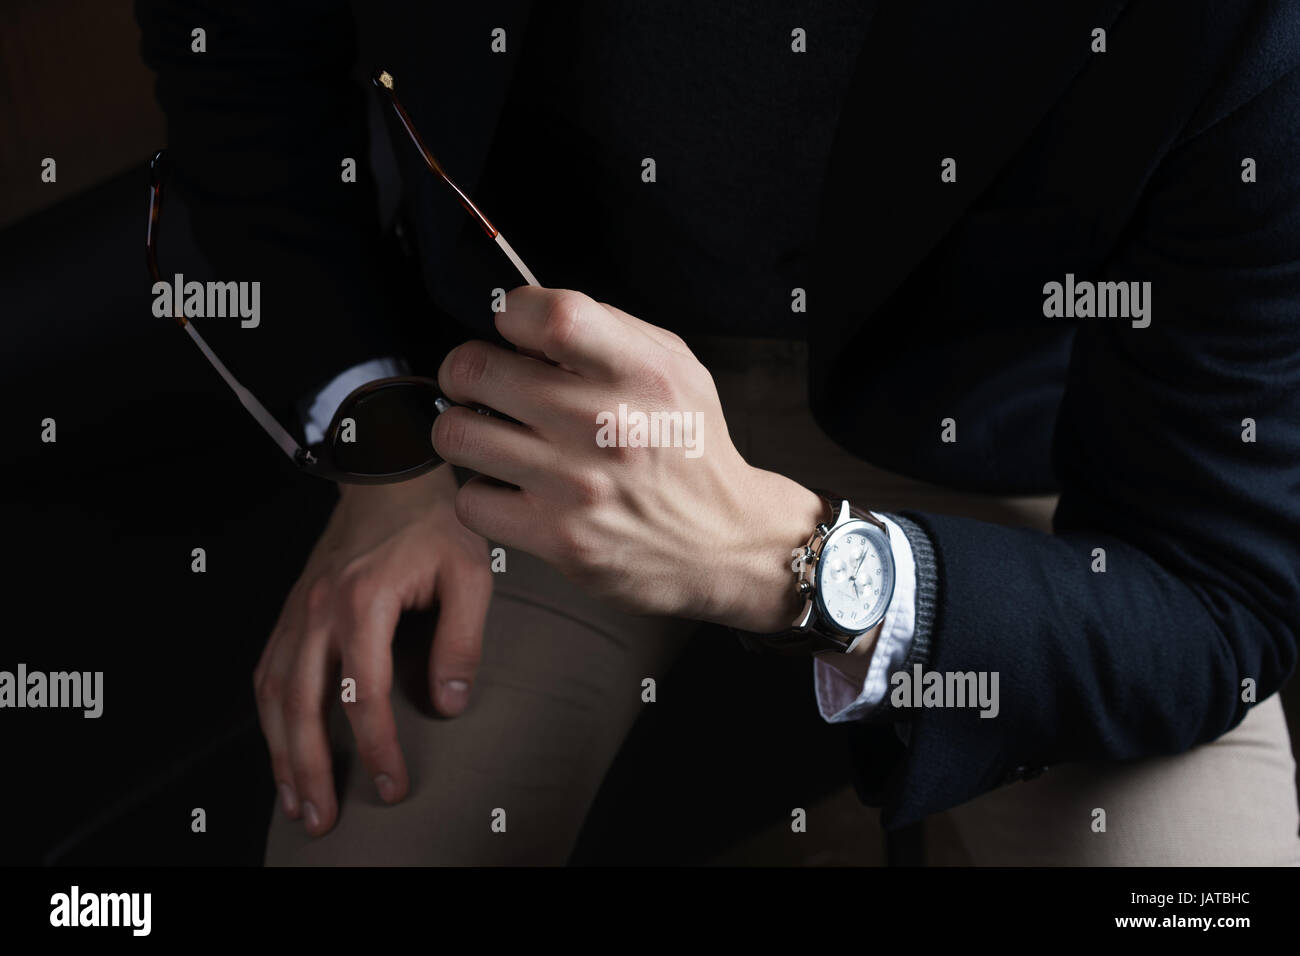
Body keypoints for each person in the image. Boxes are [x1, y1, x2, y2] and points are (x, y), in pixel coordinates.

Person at [136, 0, 1300, 865]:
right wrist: (381, 448)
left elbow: (1217, 592)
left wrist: (791, 566)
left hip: (1023, 442)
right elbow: (240, 62)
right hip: (525, 396)